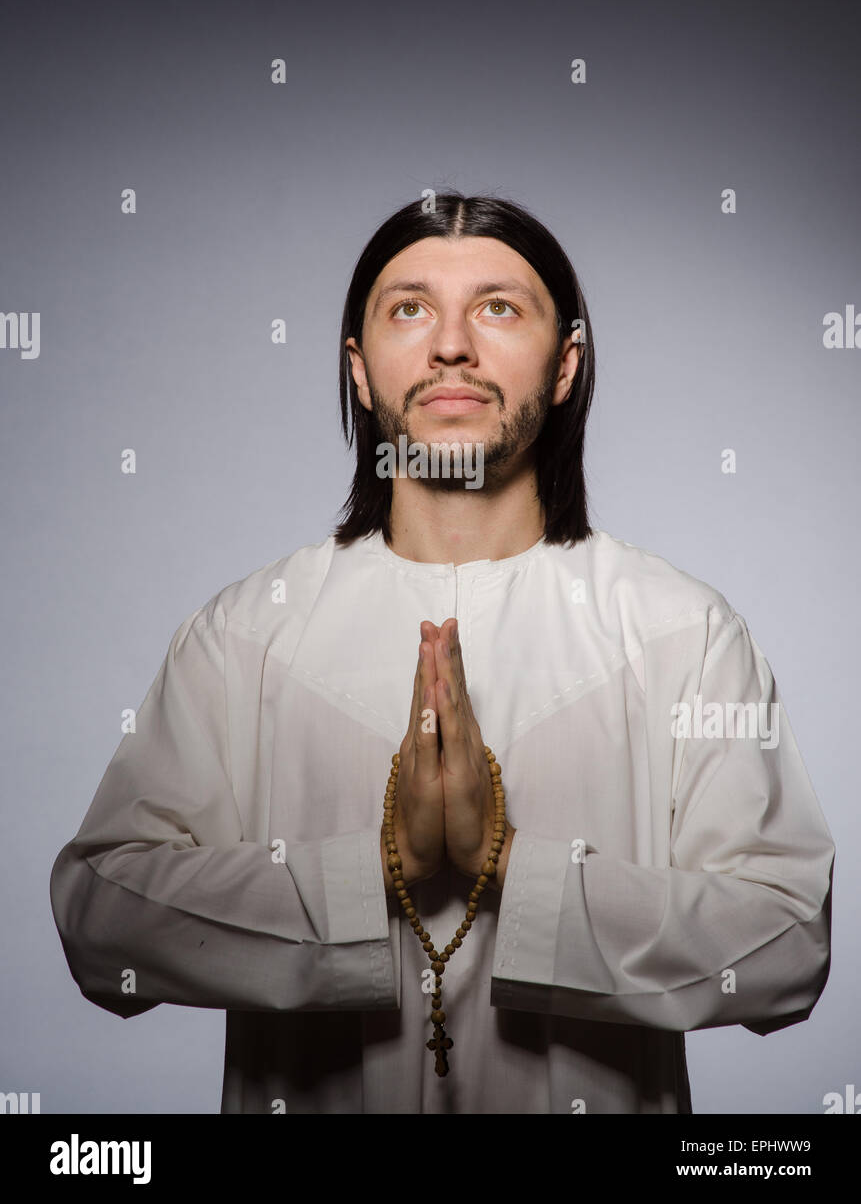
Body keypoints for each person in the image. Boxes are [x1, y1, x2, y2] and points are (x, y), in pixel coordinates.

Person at [50, 193, 835, 1114]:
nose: (451, 345)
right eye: (409, 309)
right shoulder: (246, 635)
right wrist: (376, 862)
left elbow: (787, 942)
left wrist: (508, 862)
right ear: (359, 366)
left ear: (565, 365)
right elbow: (101, 919)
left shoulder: (681, 634)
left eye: (499, 308)